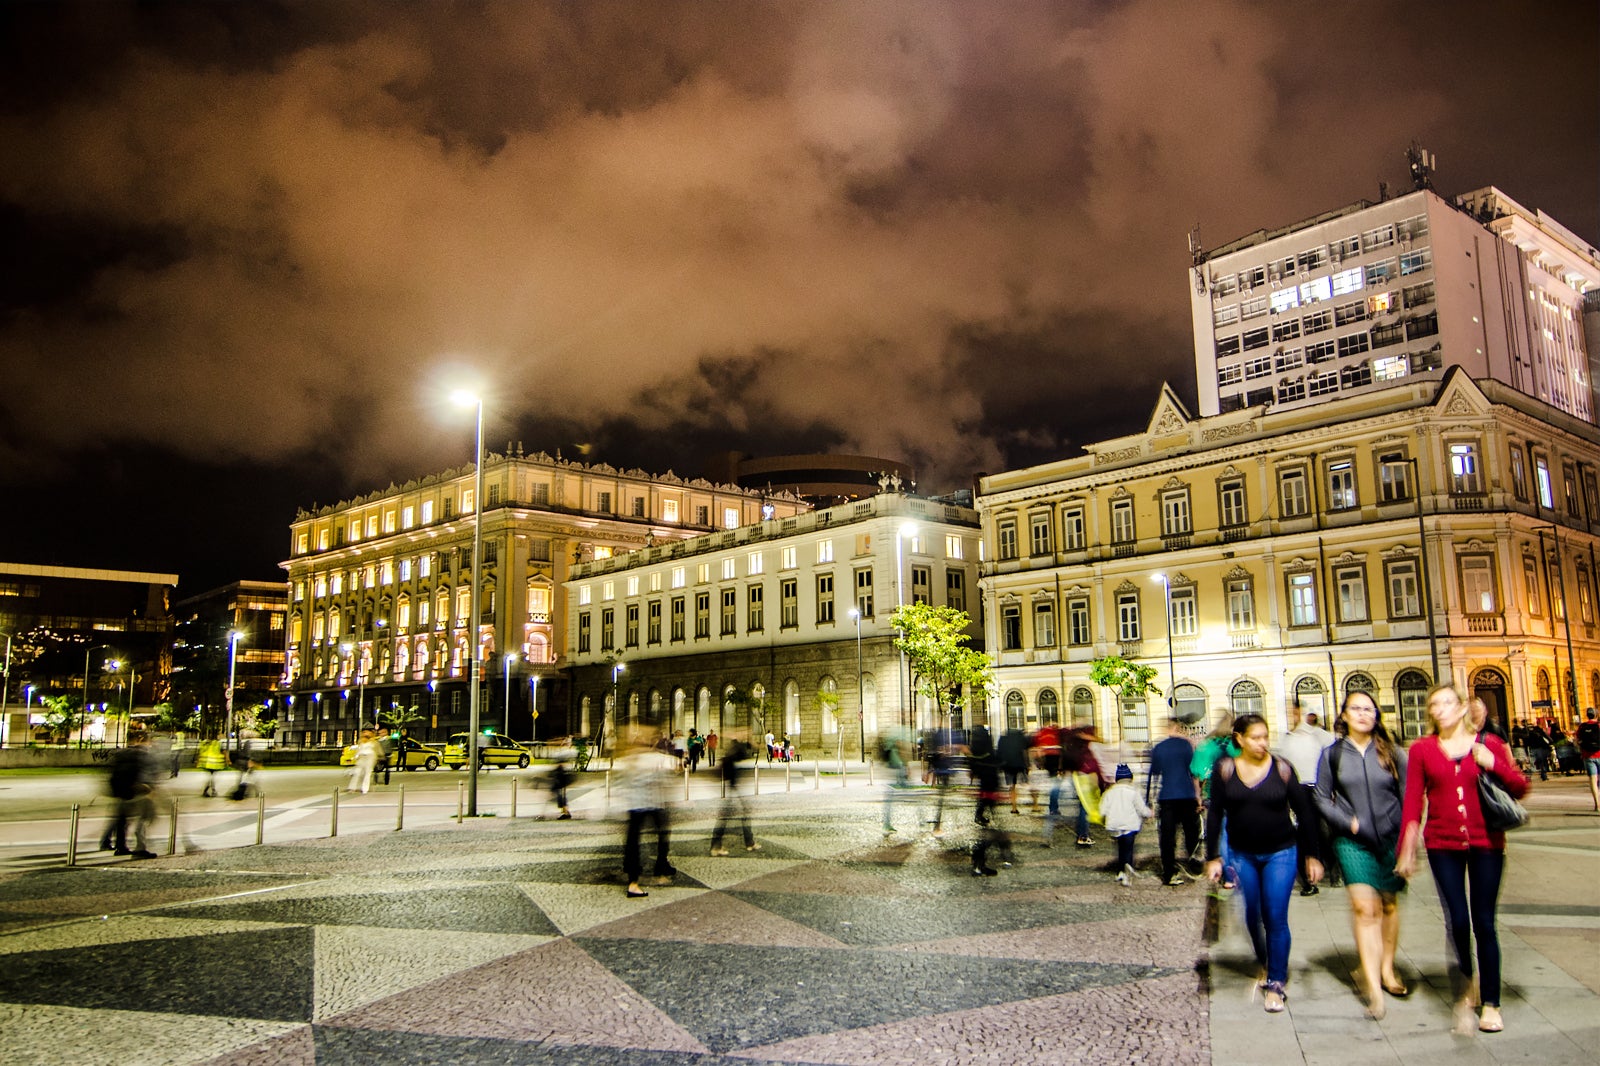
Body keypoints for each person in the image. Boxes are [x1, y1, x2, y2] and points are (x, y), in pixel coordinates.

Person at [1397, 683, 1529, 1035]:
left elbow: (1520, 787)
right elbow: (1413, 800)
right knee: (1457, 919)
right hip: (1442, 844)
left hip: (1487, 843)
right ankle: (1466, 984)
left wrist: (1495, 765)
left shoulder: (1489, 745)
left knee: (1484, 923)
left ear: (1461, 708)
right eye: (1434, 704)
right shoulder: (1423, 750)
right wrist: (1407, 845)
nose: (1440, 708)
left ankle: (1492, 1002)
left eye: (1447, 702)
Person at [1204, 712, 1322, 1014]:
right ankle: (1266, 961)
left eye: (1265, 736)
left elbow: (1305, 813)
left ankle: (1276, 982)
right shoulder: (1225, 769)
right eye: (1255, 737)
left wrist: (1313, 855)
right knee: (1252, 913)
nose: (1262, 743)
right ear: (1239, 739)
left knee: (1275, 916)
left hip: (1281, 852)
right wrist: (1213, 857)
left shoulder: (1282, 768)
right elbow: (1215, 812)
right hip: (1243, 854)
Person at [1313, 689, 1408, 1020]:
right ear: (1344, 715)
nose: (1363, 713)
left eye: (1369, 709)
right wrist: (1346, 822)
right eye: (1356, 708)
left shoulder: (1393, 753)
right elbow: (1321, 797)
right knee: (1364, 908)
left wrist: (1409, 841)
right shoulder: (1332, 754)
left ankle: (1387, 968)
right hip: (1351, 841)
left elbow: (1409, 799)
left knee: (1389, 905)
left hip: (1390, 840)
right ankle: (1374, 989)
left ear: (1377, 715)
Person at [1278, 702, 1336, 895]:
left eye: (1292, 711)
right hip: (1296, 790)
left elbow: (1332, 754)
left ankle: (1332, 870)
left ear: (1299, 712)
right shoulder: (1286, 740)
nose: (1289, 715)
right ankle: (1308, 880)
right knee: (1305, 831)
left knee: (1323, 831)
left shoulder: (1316, 735)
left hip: (1317, 787)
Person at [616, 729, 676, 898]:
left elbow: (621, 782)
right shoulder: (651, 758)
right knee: (662, 833)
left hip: (635, 806)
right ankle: (655, 871)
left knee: (633, 840)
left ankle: (635, 877)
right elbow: (664, 777)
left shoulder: (630, 759)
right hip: (651, 803)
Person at [1147, 716, 1201, 885]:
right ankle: (1192, 864)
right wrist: (1198, 795)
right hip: (1186, 795)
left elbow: (1154, 774)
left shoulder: (1159, 747)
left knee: (1167, 837)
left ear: (1167, 729)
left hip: (1167, 797)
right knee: (1191, 832)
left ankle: (1169, 872)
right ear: (1179, 728)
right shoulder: (1187, 746)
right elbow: (1193, 772)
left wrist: (1149, 801)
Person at [101, 734, 158, 858]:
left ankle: (119, 847)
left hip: (121, 792)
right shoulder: (143, 754)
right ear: (145, 741)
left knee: (121, 820)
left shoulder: (122, 753)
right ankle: (140, 848)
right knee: (143, 818)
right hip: (138, 792)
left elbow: (111, 771)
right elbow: (146, 773)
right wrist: (150, 787)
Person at [1102, 764, 1152, 885]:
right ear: (1130, 779)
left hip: (1115, 826)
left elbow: (1103, 810)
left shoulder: (1109, 793)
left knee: (1120, 848)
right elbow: (1141, 809)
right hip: (1130, 826)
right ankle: (1126, 874)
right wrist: (1150, 813)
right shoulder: (1134, 792)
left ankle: (1120, 871)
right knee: (1128, 849)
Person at [710, 732, 759, 855]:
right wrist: (749, 741)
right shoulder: (735, 749)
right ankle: (716, 846)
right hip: (733, 788)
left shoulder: (733, 749)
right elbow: (745, 754)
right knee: (730, 816)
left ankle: (749, 842)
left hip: (734, 788)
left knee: (737, 815)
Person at [997, 728, 1030, 814]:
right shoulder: (1020, 738)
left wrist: (1000, 764)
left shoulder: (1003, 738)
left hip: (1007, 765)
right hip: (1019, 764)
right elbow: (1024, 752)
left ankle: (1014, 807)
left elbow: (999, 751)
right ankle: (1034, 804)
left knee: (1012, 786)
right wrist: (1027, 765)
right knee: (1018, 785)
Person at [1577, 709, 1600, 812]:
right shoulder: (1599, 725)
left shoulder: (1582, 727)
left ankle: (1597, 805)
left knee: (1593, 781)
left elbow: (1577, 740)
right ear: (1597, 715)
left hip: (1588, 756)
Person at [347, 729, 381, 794]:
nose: (365, 733)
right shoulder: (361, 741)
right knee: (357, 772)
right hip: (362, 757)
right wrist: (356, 757)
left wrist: (379, 757)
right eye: (364, 732)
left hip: (370, 757)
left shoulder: (374, 742)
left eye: (367, 732)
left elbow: (377, 750)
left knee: (368, 773)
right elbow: (359, 749)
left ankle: (365, 789)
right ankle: (352, 787)